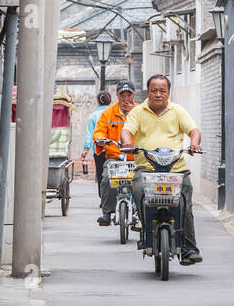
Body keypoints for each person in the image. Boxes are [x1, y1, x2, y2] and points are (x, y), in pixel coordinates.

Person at [120, 75, 202, 264]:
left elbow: (193, 130)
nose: (158, 95)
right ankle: (145, 228)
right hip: (147, 168)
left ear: (168, 93)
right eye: (154, 90)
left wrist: (195, 144)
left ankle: (189, 248)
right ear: (147, 92)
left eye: (162, 91)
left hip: (176, 169)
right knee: (138, 189)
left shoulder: (178, 111)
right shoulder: (137, 112)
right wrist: (127, 142)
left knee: (185, 202)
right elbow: (127, 131)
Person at [93, 82, 137, 226]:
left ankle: (142, 212)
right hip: (115, 157)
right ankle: (107, 212)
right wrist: (99, 138)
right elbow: (99, 130)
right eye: (122, 95)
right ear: (117, 95)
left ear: (133, 95)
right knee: (106, 178)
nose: (125, 98)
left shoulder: (141, 111)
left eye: (128, 95)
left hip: (137, 158)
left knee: (142, 181)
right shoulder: (108, 113)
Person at [82, 91, 112, 186]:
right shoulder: (114, 114)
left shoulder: (94, 115)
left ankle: (102, 197)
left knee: (100, 175)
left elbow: (90, 135)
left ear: (98, 101)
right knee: (114, 174)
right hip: (113, 149)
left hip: (99, 150)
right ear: (110, 101)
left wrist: (86, 149)